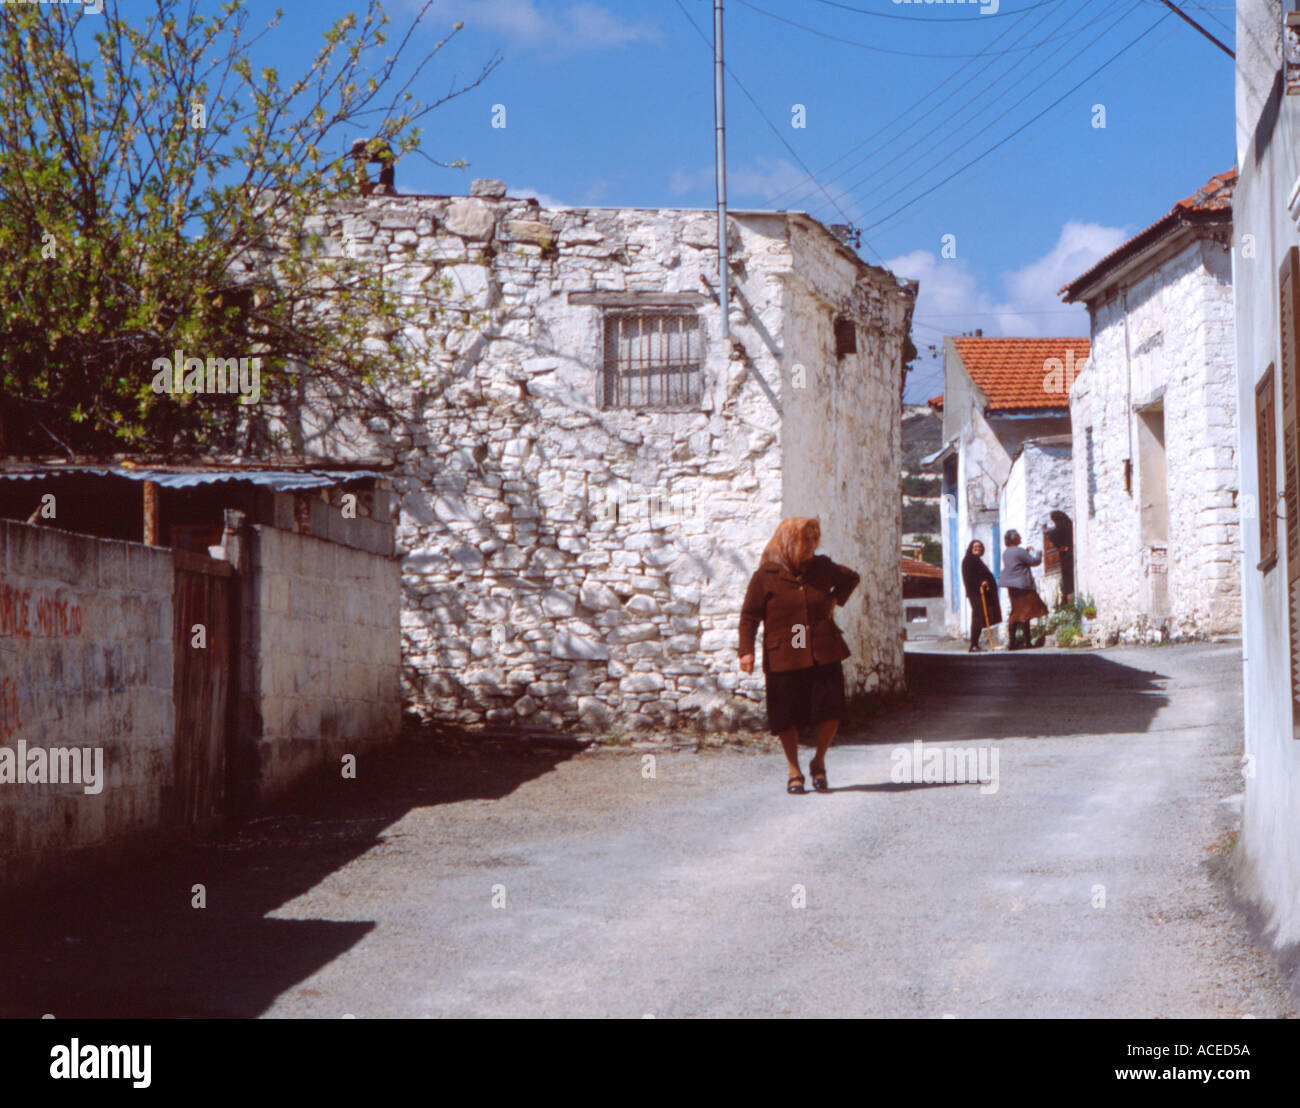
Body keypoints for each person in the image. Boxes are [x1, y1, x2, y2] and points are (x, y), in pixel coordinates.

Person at [738, 517, 860, 794]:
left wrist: (833, 599)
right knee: (786, 714)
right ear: (788, 540)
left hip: (822, 650)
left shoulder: (822, 567)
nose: (810, 545)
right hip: (785, 652)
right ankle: (794, 769)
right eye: (804, 539)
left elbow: (852, 578)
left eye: (813, 539)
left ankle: (818, 762)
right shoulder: (766, 575)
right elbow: (749, 616)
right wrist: (746, 651)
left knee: (831, 708)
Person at [998, 530, 1048, 650]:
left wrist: (1025, 551)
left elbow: (1017, 560)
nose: (1020, 538)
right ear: (1014, 539)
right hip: (1022, 585)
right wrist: (1039, 553)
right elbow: (1034, 562)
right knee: (1024, 612)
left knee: (1017, 611)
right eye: (1018, 536)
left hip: (1012, 585)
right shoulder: (1019, 551)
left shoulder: (1006, 552)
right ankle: (1026, 642)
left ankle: (1013, 643)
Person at [961, 539, 1002, 652]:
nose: (978, 548)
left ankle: (975, 645)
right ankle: (973, 645)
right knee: (977, 618)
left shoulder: (976, 560)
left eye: (980, 547)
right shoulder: (969, 559)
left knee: (978, 618)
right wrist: (980, 582)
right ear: (971, 548)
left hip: (980, 592)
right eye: (975, 546)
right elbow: (969, 577)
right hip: (976, 593)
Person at [1044, 510, 1075, 602]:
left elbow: (1051, 535)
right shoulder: (1070, 525)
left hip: (1066, 555)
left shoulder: (1059, 529)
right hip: (1072, 552)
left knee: (1068, 578)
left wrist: (1060, 546)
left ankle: (1070, 600)